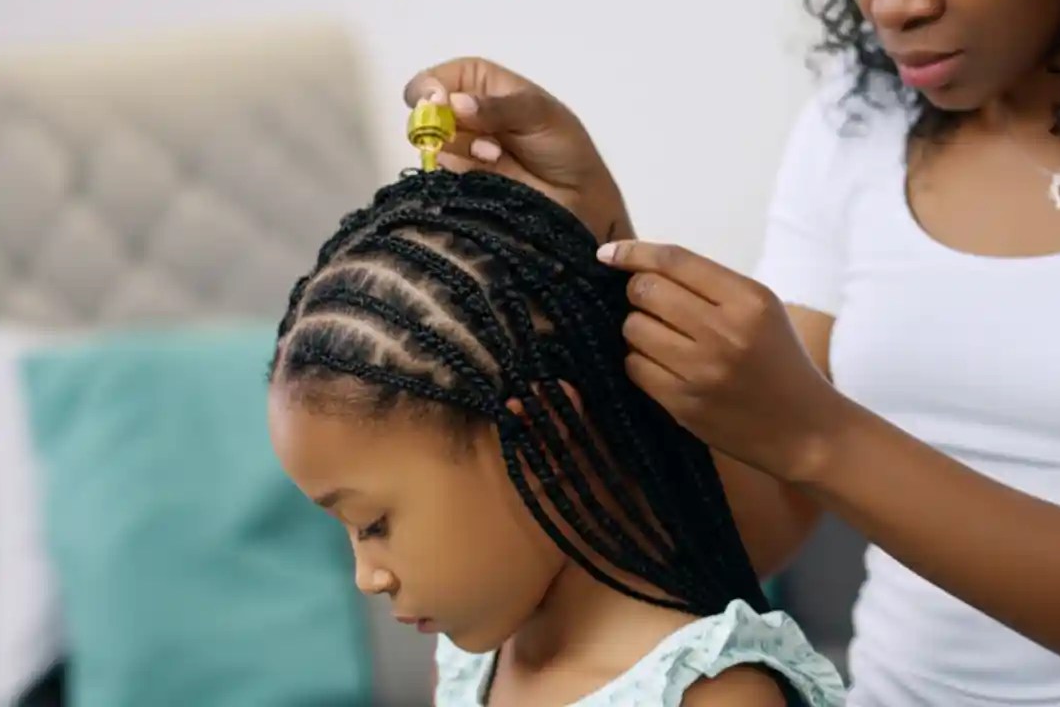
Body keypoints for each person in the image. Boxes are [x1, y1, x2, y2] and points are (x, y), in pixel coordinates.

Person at [404, 0, 1060, 704]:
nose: (894, 5)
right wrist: (589, 232)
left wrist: (819, 434)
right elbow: (750, 528)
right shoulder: (855, 127)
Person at [266, 168, 847, 705]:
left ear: (542, 436)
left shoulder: (708, 693)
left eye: (373, 523)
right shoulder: (473, 663)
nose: (368, 577)